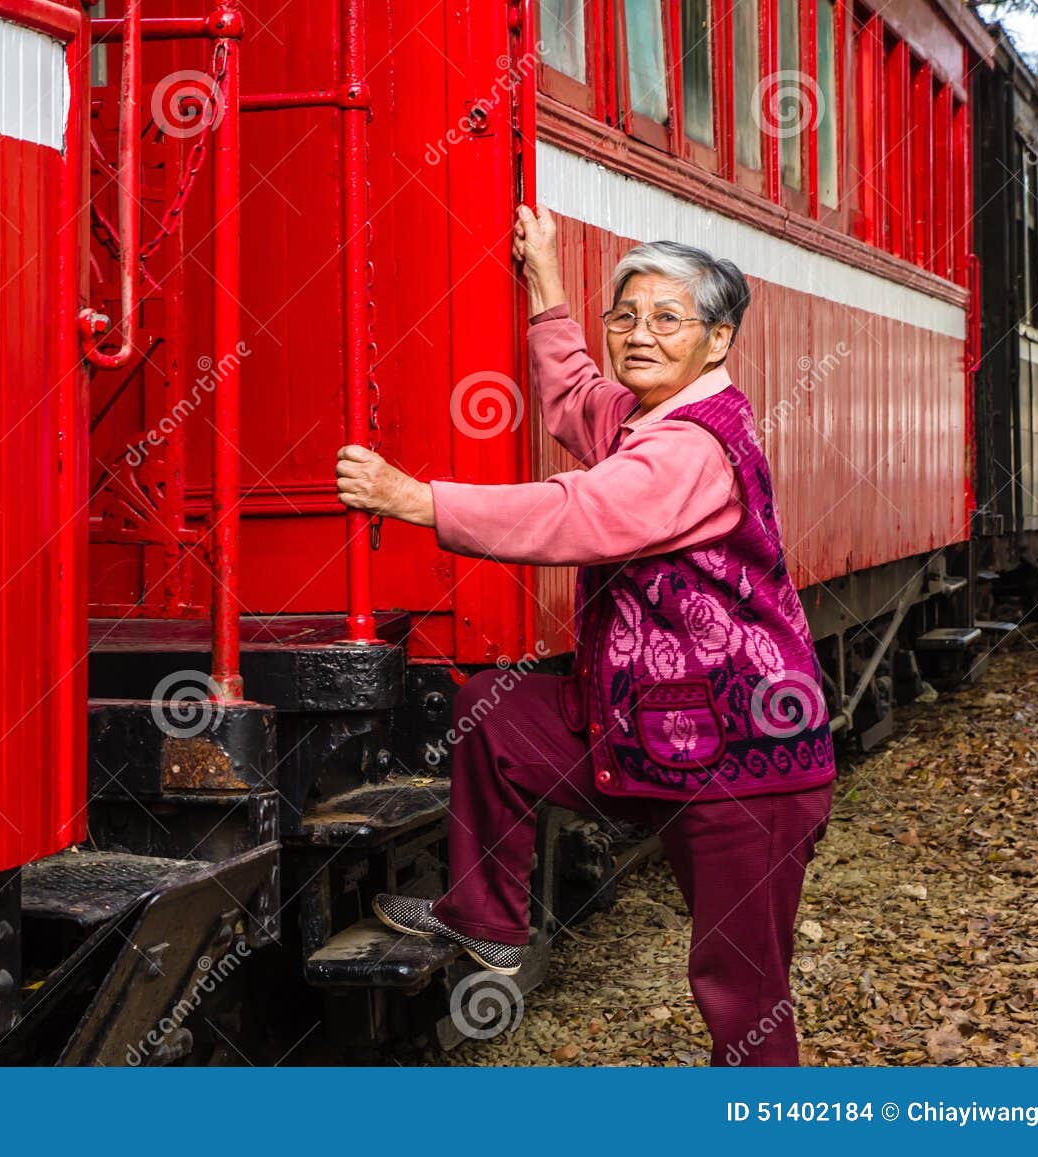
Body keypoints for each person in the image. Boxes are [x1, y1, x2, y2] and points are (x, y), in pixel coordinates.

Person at [333, 204, 836, 1066]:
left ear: (717, 341)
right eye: (625, 315)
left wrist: (419, 500)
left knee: (740, 987)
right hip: (653, 729)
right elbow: (573, 396)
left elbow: (582, 512)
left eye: (666, 319)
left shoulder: (691, 450)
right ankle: (485, 920)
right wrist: (550, 285)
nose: (638, 334)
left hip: (746, 760)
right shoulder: (648, 416)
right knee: (495, 715)